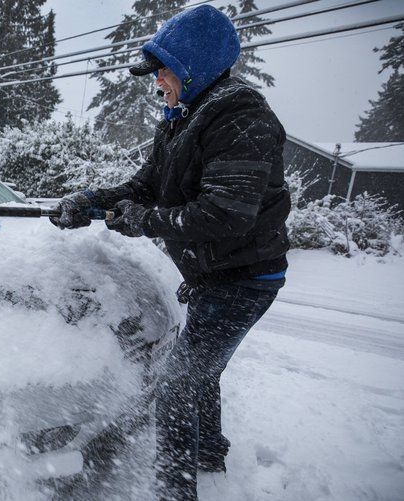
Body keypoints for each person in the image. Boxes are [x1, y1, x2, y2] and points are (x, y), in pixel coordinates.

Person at [50, 5, 290, 500]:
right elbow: (144, 187)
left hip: (244, 280)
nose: (158, 80)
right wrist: (89, 203)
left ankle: (175, 491)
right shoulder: (183, 120)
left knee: (178, 385)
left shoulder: (242, 116)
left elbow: (226, 213)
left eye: (164, 69)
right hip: (214, 276)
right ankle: (208, 455)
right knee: (201, 370)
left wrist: (146, 223)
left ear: (192, 67)